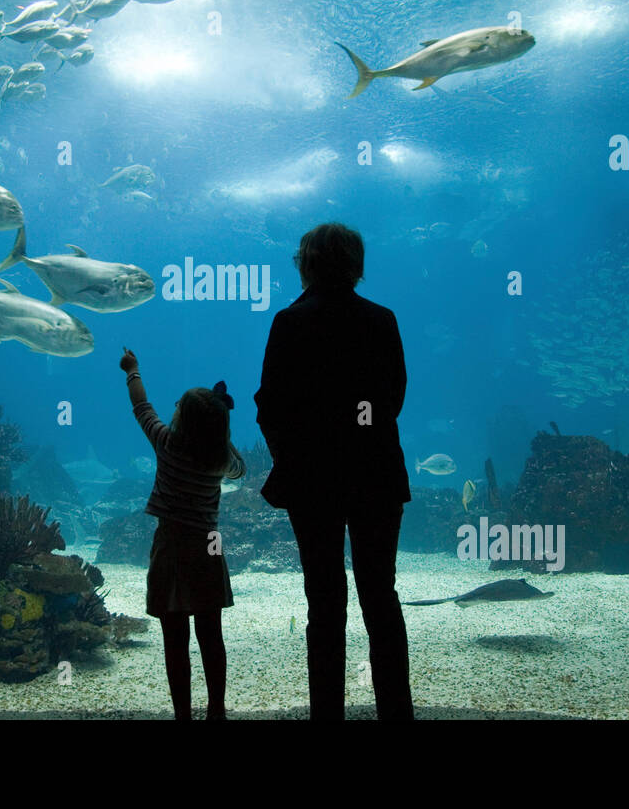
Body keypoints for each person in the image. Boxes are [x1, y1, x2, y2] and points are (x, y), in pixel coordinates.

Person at [254, 222, 413, 720]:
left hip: (312, 480)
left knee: (324, 604)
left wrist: (291, 457)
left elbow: (269, 406)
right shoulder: (381, 320)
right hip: (376, 476)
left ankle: (327, 716)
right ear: (356, 264)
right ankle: (396, 714)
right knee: (380, 596)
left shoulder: (289, 321)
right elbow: (394, 397)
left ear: (306, 263)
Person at [120, 347, 246, 720]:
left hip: (170, 547)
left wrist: (133, 370)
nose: (172, 408)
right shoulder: (221, 459)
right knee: (211, 635)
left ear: (179, 420)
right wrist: (221, 433)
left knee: (175, 640)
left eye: (177, 406)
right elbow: (240, 472)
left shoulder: (166, 443)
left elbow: (142, 408)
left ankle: (182, 716)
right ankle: (217, 710)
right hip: (208, 548)